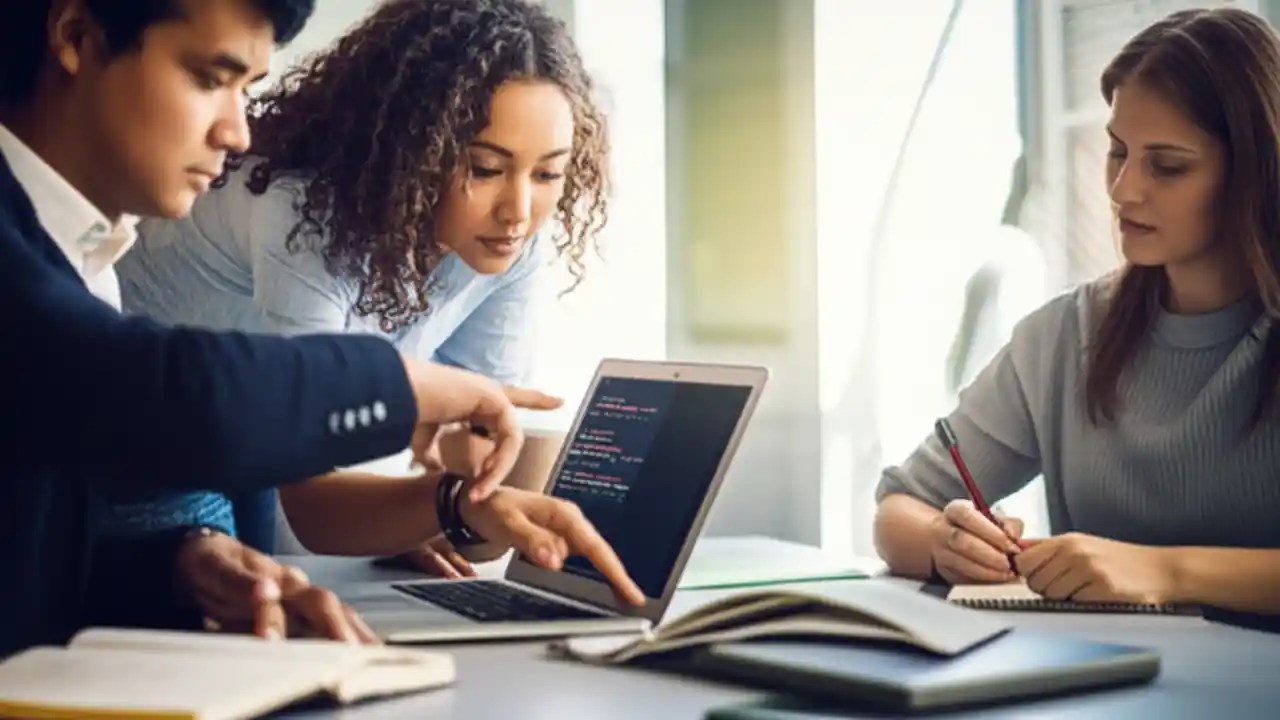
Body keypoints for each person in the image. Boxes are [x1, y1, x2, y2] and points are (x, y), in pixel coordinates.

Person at [0, 0, 641, 658]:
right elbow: (153, 387)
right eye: (208, 79)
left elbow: (40, 520)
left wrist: (183, 565)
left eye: (246, 90)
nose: (239, 135)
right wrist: (404, 388)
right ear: (76, 36)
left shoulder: (87, 249)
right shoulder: (49, 260)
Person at [107, 0, 606, 577]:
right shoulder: (303, 215)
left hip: (260, 449)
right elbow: (310, 509)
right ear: (416, 150)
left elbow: (471, 466)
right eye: (486, 169)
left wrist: (432, 509)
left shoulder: (507, 243)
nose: (519, 211)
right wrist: (440, 505)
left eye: (548, 174)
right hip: (144, 454)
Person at [873, 7, 1280, 616]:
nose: (1123, 191)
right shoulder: (1064, 336)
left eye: (1167, 166)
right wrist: (944, 542)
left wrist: (1161, 569)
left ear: (1256, 172)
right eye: (1118, 153)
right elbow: (899, 506)